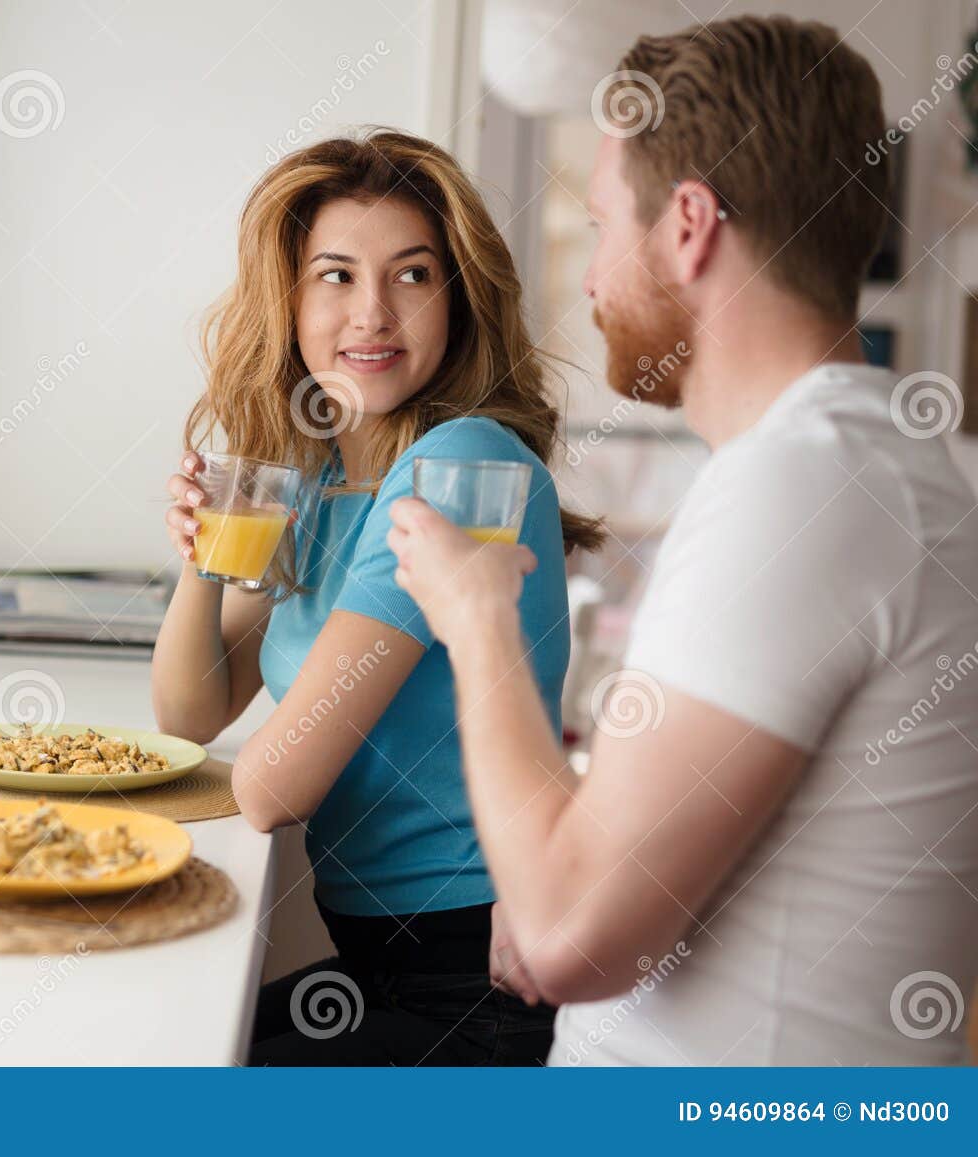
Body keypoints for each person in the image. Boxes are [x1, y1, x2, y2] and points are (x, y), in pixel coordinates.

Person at [388, 15, 978, 1065]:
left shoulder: (808, 483)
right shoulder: (842, 463)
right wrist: (550, 865)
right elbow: (621, 871)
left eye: (603, 221)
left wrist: (474, 616)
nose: (588, 274)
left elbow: (571, 939)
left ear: (689, 226)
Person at [149, 129, 602, 1065]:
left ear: (457, 293)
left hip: (475, 986)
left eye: (412, 273)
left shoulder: (459, 467)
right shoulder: (314, 477)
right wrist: (202, 553)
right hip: (381, 968)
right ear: (289, 297)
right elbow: (190, 709)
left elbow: (271, 788)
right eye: (336, 275)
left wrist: (268, 749)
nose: (373, 315)